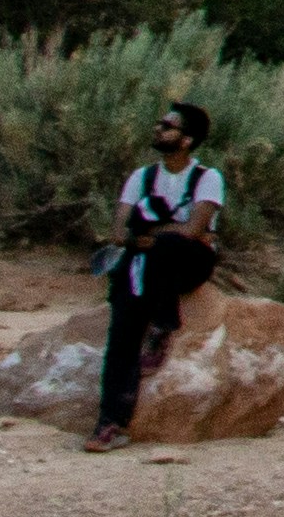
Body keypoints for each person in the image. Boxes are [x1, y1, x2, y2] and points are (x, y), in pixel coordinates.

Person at [90, 100, 228, 451]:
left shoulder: (208, 178)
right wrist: (150, 237)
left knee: (167, 246)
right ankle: (110, 423)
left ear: (186, 140)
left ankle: (164, 323)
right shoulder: (142, 177)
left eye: (167, 126)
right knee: (122, 331)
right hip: (145, 263)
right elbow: (118, 232)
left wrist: (151, 235)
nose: (158, 129)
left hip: (187, 262)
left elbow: (194, 230)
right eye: (160, 123)